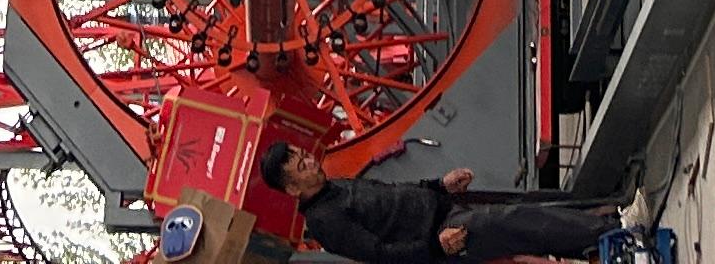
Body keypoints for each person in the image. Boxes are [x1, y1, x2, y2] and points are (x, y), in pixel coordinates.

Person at [261, 141, 654, 262]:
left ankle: (613, 208)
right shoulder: (326, 222)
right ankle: (620, 231)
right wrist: (437, 247)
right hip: (445, 238)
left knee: (531, 201)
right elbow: (380, 255)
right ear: (292, 189)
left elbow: (394, 194)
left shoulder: (335, 186)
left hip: (445, 209)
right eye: (299, 164)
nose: (308, 159)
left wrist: (439, 185)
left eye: (302, 153)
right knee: (516, 222)